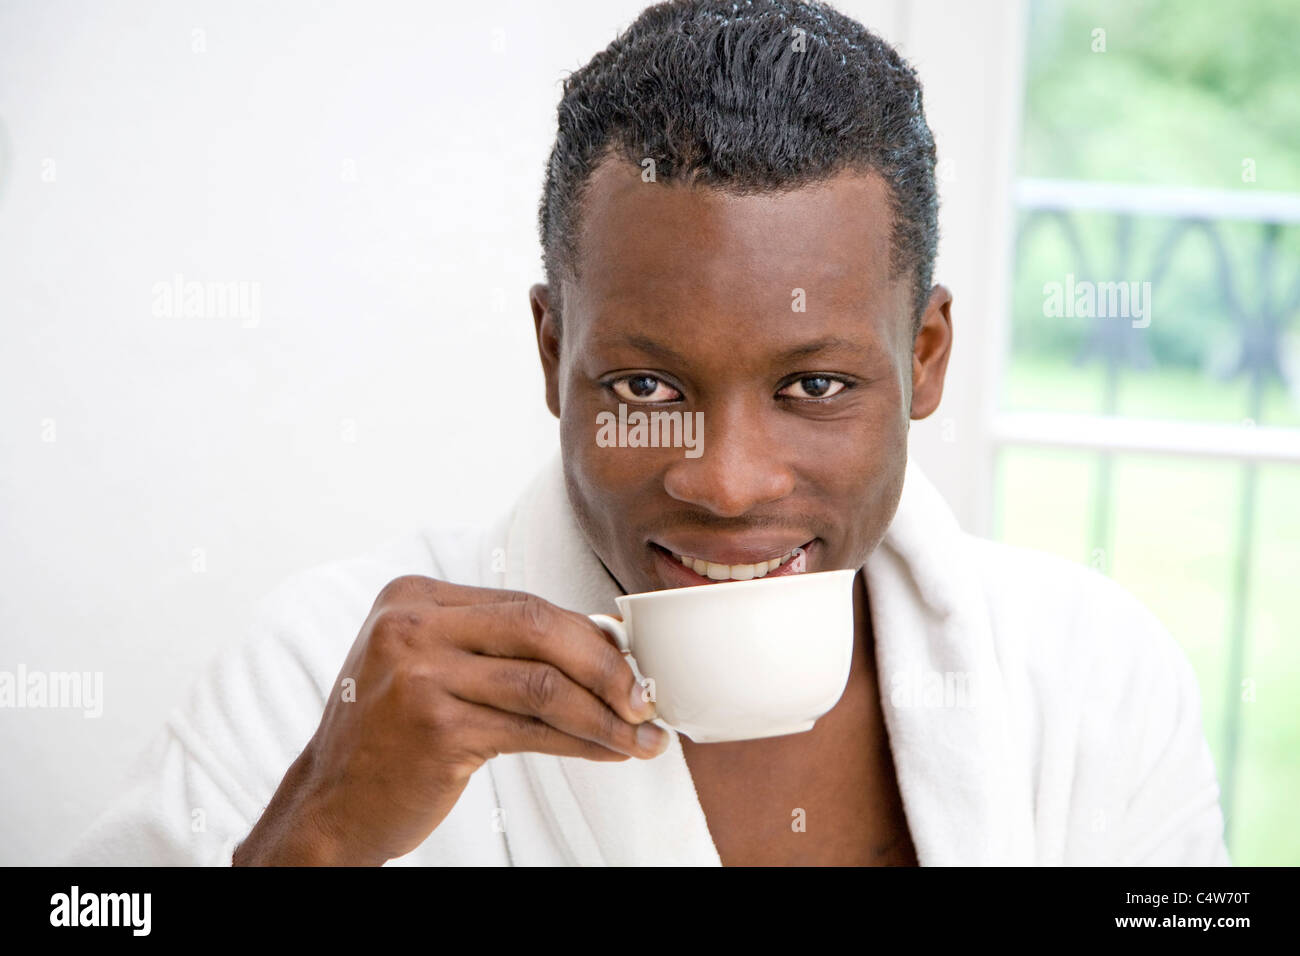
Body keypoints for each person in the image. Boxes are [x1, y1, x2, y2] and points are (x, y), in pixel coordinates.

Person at [63, 0, 1230, 867]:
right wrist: (309, 840)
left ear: (924, 358)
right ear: (547, 350)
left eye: (815, 386)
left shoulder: (1091, 685)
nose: (726, 482)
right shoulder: (320, 677)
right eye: (645, 384)